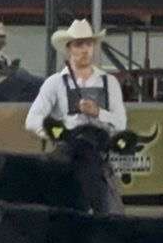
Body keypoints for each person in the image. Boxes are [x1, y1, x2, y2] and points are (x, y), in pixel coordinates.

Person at [25, 19, 126, 211]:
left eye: (89, 44)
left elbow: (121, 123)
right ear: (69, 48)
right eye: (79, 44)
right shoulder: (54, 83)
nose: (85, 49)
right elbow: (32, 120)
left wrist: (98, 112)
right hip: (67, 159)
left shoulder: (110, 82)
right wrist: (59, 134)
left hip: (98, 159)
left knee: (108, 213)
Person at [0, 20, 43, 102]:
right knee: (21, 75)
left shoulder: (3, 57)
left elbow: (11, 72)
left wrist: (11, 70)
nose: (3, 42)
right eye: (0, 38)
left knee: (28, 80)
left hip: (11, 87)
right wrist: (0, 73)